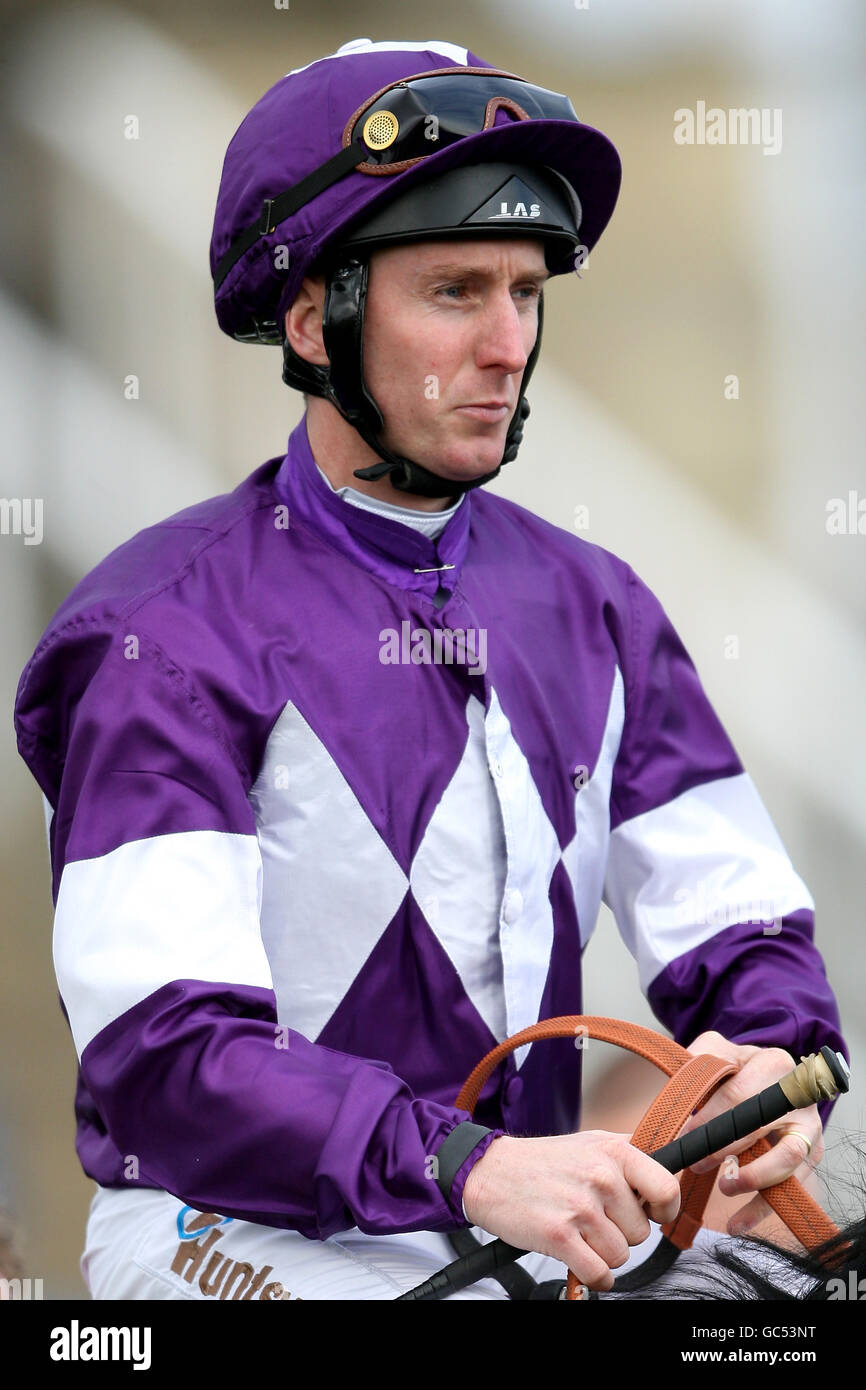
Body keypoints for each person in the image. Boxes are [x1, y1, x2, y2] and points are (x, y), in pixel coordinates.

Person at [14, 37, 845, 1302]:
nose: (509, 343)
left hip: (524, 1230)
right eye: (455, 290)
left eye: (525, 289)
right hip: (235, 1237)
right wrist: (465, 1164)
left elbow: (734, 919)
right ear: (313, 318)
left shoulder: (595, 603)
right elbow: (165, 1058)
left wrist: (772, 1061)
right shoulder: (157, 629)